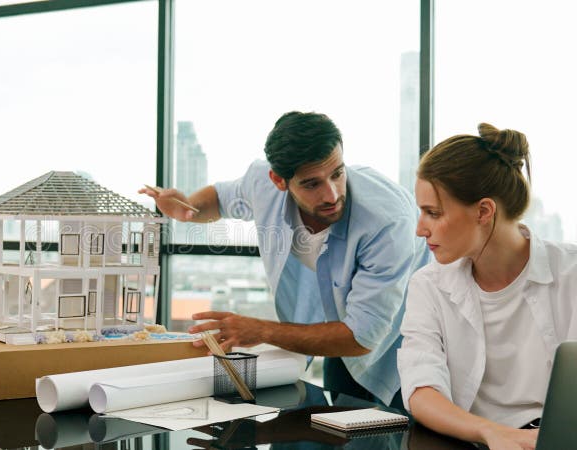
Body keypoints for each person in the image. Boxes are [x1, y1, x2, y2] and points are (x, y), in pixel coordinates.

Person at [140, 111, 429, 408]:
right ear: (279, 180)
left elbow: (361, 337)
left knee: (393, 435)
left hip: (401, 344)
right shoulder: (262, 183)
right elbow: (222, 198)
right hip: (340, 329)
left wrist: (260, 330)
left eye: (338, 174)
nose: (331, 195)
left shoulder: (387, 221)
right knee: (334, 426)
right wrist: (189, 208)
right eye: (312, 184)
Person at [397, 123, 577, 449]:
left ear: (484, 211)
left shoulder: (571, 274)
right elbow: (422, 390)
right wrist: (492, 433)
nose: (420, 229)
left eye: (432, 213)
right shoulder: (428, 285)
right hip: (470, 441)